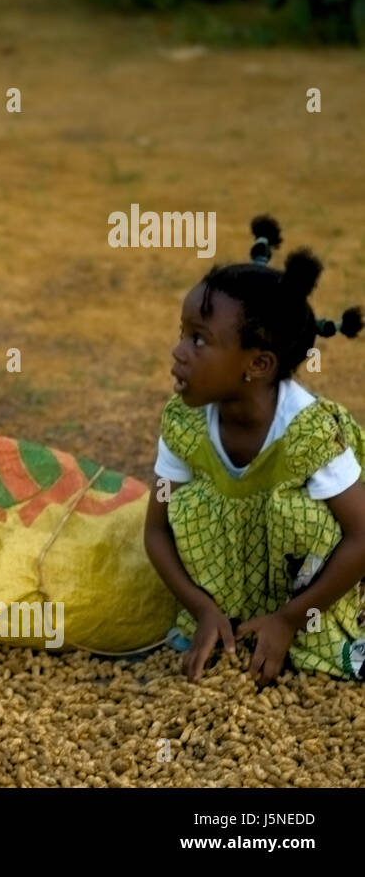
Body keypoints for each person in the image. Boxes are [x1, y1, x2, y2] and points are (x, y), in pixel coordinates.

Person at [144, 215, 365, 683]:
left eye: (199, 339)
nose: (178, 352)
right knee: (189, 502)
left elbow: (362, 537)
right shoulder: (184, 422)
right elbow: (157, 530)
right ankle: (230, 619)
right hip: (225, 590)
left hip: (309, 598)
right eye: (183, 333)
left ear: (258, 364)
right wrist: (201, 608)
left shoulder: (310, 433)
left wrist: (290, 620)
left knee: (301, 514)